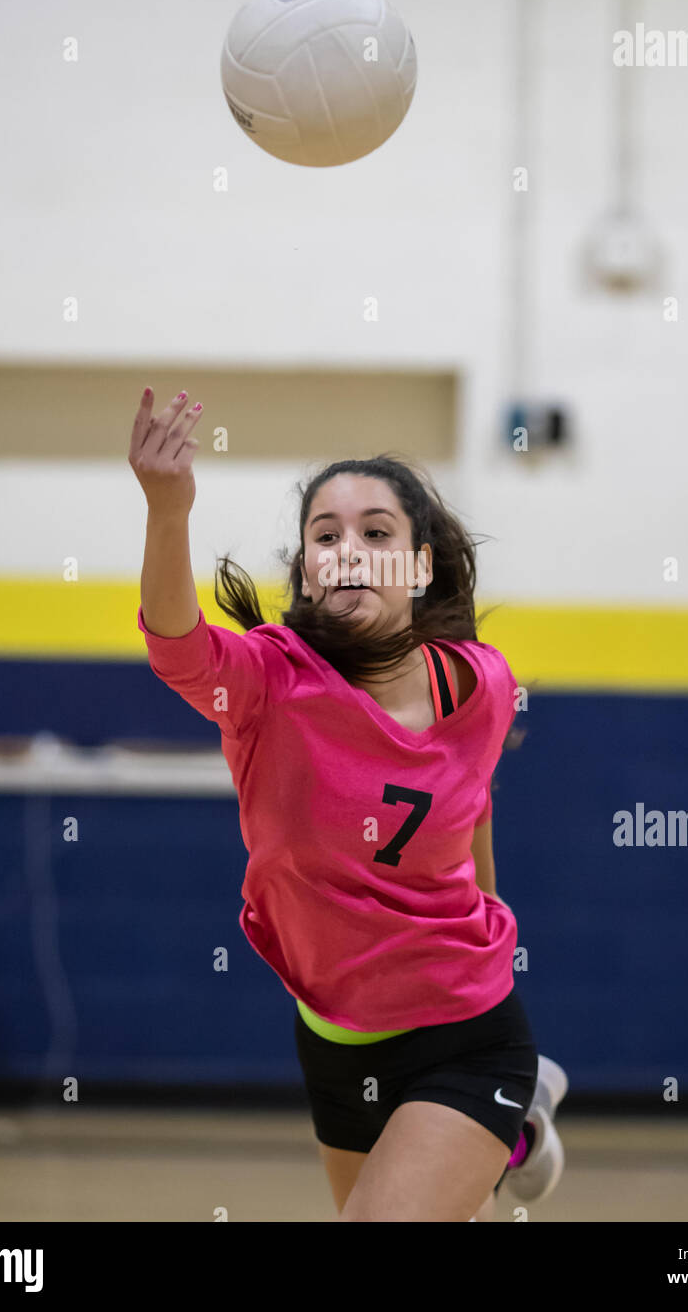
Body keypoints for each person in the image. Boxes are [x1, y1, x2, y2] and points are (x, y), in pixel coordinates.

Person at [129, 388, 567, 1222]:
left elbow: (472, 806)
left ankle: (506, 1109)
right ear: (307, 572)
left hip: (466, 1030)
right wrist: (168, 508)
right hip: (334, 1041)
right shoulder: (269, 682)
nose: (349, 550)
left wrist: (488, 914)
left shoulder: (479, 683)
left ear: (420, 566)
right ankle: (521, 1135)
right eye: (325, 537)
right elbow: (178, 647)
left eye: (376, 532)